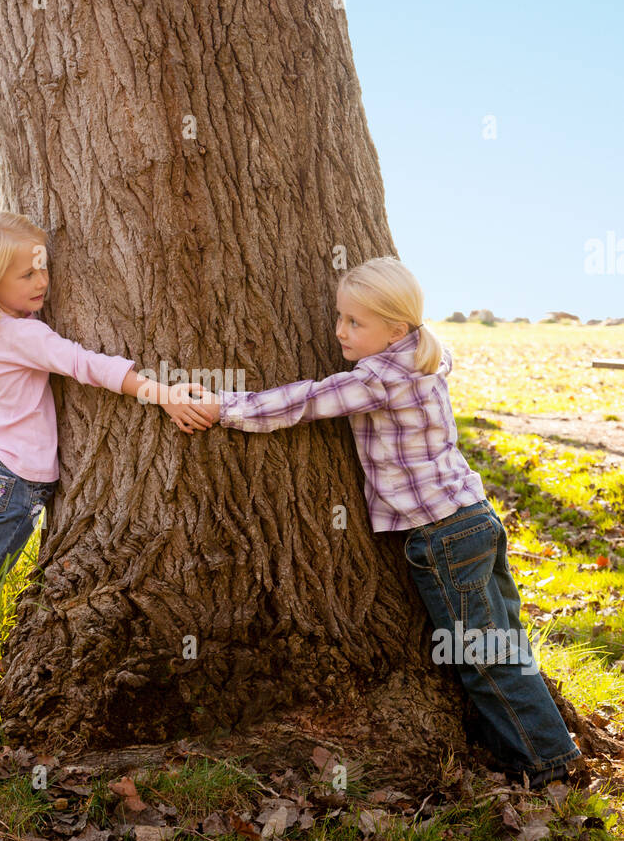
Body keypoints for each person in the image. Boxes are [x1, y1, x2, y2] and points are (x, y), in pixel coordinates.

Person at [197, 255, 581, 789]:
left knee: (482, 655)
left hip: (443, 534)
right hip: (474, 516)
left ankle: (543, 761)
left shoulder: (380, 377)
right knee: (505, 642)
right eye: (339, 317)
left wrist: (224, 407)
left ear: (396, 328)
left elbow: (306, 401)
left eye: (355, 322)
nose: (338, 331)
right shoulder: (424, 359)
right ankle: (544, 744)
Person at [0, 209, 209, 729]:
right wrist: (161, 394)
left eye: (44, 268)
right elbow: (84, 363)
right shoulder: (21, 334)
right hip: (13, 480)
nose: (43, 281)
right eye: (27, 274)